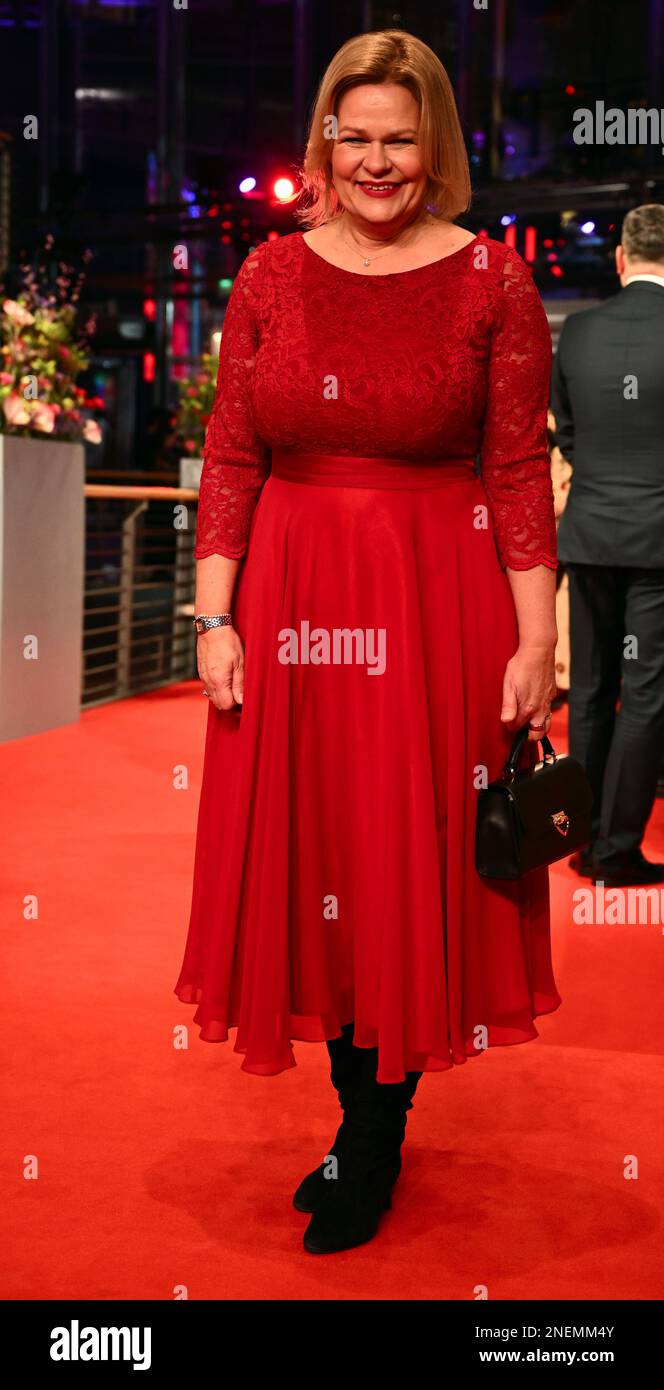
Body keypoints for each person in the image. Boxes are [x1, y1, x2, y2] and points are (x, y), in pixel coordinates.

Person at [175, 29, 560, 1256]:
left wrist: (535, 637)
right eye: (358, 136)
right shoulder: (270, 278)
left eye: (402, 137)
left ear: (432, 146)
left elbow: (515, 471)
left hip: (436, 598)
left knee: (408, 860)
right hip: (288, 601)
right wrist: (215, 613)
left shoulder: (493, 280)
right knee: (315, 859)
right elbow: (234, 453)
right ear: (324, 145)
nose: (378, 160)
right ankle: (358, 1118)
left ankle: (370, 1134)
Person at [551, 204, 664, 888]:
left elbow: (566, 434)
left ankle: (578, 835)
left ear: (620, 259)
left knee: (590, 689)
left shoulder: (581, 332)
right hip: (657, 541)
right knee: (647, 693)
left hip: (589, 532)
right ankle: (616, 851)